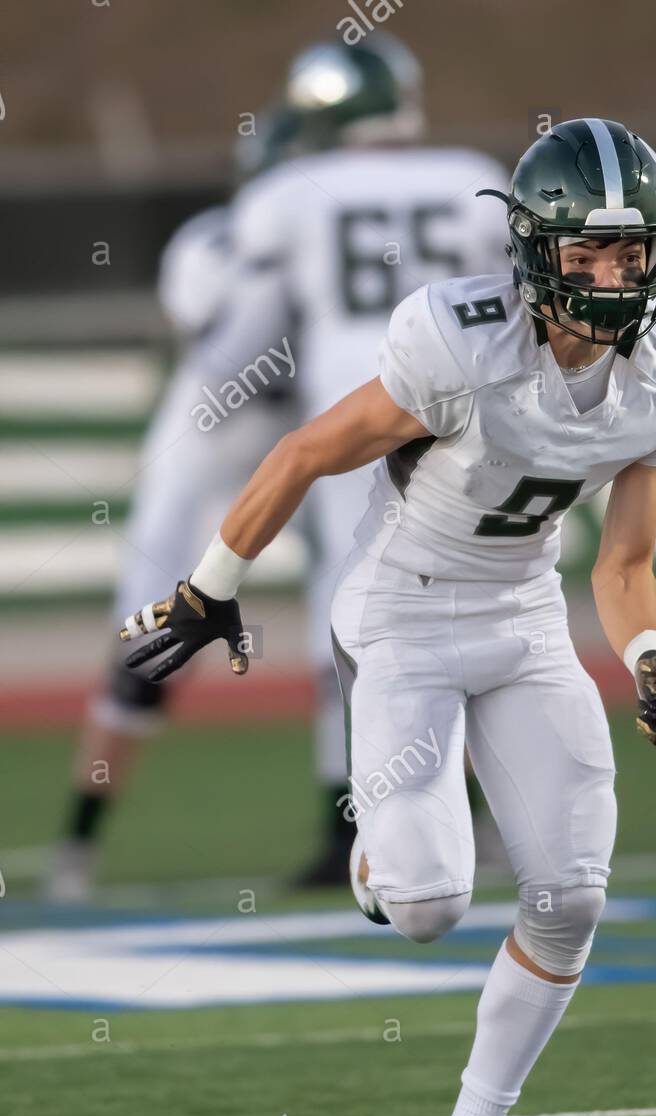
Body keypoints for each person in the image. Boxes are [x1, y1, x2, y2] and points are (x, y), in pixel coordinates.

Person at [120, 119, 656, 1116]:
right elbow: (303, 452)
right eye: (584, 252)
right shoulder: (461, 340)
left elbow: (625, 560)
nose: (611, 275)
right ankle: (373, 864)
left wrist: (647, 655)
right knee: (432, 903)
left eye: (630, 253)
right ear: (536, 252)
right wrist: (211, 588)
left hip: (524, 613)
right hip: (401, 612)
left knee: (573, 892)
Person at [49, 36, 508, 899]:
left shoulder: (284, 203)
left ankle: (373, 826)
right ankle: (449, 816)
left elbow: (228, 353)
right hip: (453, 411)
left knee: (349, 620)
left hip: (336, 419)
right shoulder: (470, 176)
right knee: (462, 608)